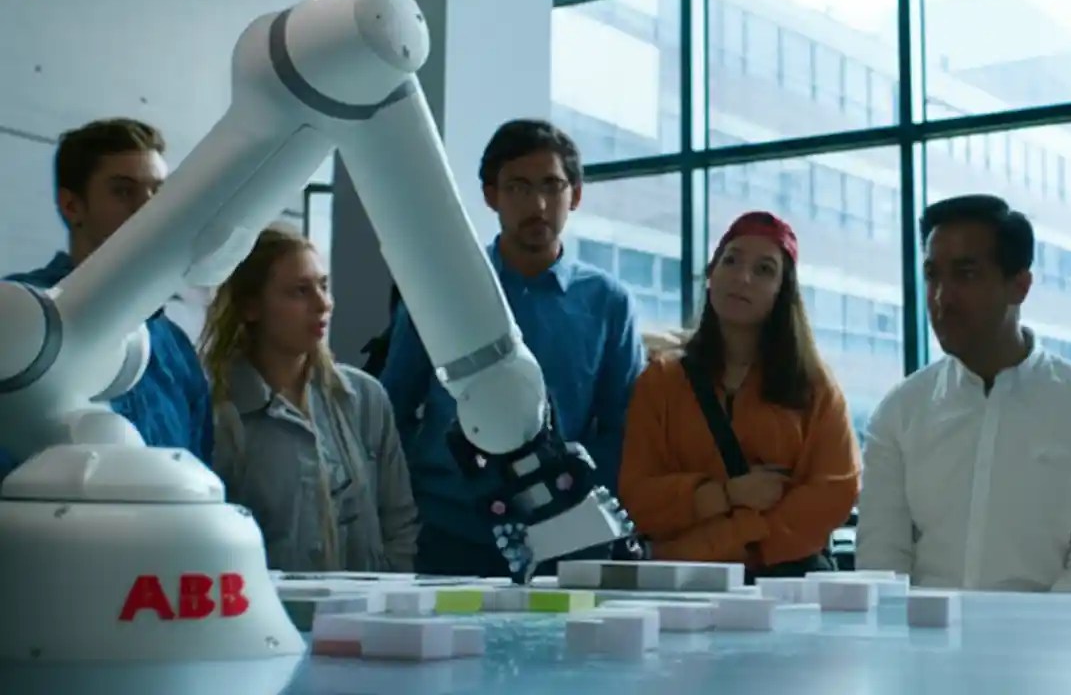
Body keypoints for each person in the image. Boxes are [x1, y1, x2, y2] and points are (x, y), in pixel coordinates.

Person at [380, 118, 645, 576]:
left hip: (565, 536)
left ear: (575, 195)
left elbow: (622, 426)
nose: (537, 205)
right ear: (491, 195)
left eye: (552, 186)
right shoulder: (443, 288)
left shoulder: (608, 303)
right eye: (518, 188)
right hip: (447, 529)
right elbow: (392, 407)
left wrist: (571, 492)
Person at [855, 194, 1071, 595]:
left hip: (1058, 633)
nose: (941, 298)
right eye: (933, 276)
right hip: (925, 633)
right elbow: (881, 564)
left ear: (1019, 286)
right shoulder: (900, 411)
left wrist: (1025, 635)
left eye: (966, 275)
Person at [618, 211, 861, 577]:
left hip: (784, 583)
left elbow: (835, 490)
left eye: (764, 270)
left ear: (782, 292)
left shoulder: (813, 386)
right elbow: (638, 496)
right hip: (684, 585)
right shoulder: (661, 381)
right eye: (730, 261)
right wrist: (726, 495)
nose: (742, 277)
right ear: (711, 275)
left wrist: (718, 539)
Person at [0, 118, 212, 480]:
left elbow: (199, 473)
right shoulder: (17, 319)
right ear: (72, 205)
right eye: (123, 191)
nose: (149, 208)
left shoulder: (173, 346)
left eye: (158, 192)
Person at [200, 223, 418, 572]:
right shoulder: (217, 411)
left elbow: (399, 522)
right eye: (299, 291)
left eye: (324, 286)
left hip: (365, 604)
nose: (323, 304)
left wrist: (391, 593)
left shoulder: (364, 398)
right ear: (251, 307)